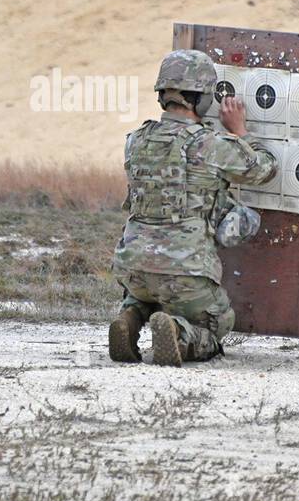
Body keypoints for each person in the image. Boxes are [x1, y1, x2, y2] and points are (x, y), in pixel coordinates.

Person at [109, 49, 278, 367]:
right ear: (202, 100)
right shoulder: (211, 145)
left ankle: (129, 319)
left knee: (147, 293)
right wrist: (240, 132)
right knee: (218, 322)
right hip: (186, 272)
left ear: (162, 96)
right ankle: (179, 334)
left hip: (133, 268)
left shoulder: (134, 141)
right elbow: (265, 169)